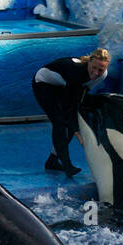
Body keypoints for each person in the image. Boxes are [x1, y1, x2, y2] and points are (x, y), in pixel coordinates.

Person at [31, 48, 111, 177]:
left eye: (100, 70)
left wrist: (76, 128)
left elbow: (81, 95)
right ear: (89, 62)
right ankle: (67, 165)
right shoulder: (76, 72)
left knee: (69, 122)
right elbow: (70, 106)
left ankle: (52, 160)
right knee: (60, 122)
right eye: (94, 67)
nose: (96, 73)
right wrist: (77, 132)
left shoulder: (102, 75)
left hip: (63, 85)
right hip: (43, 83)